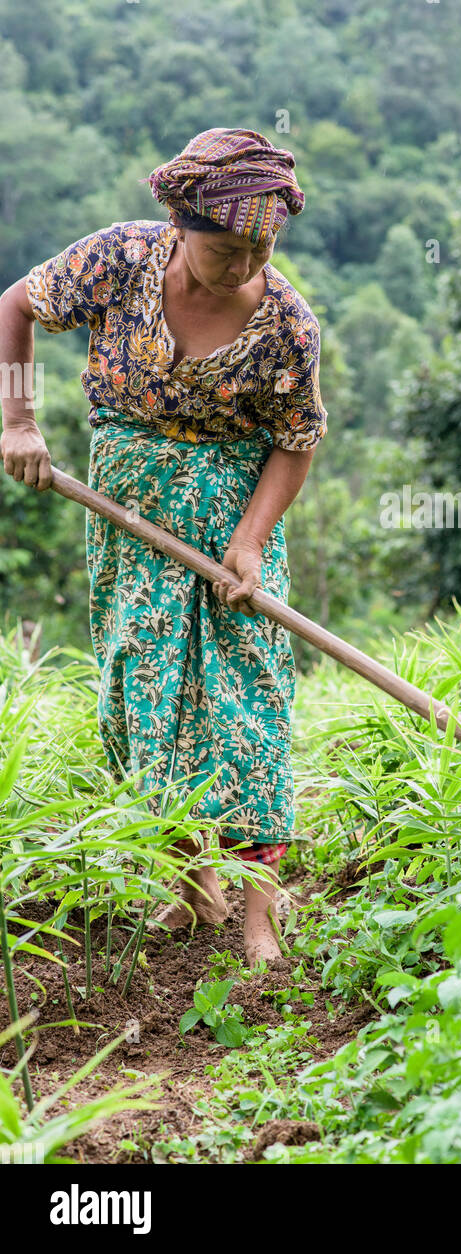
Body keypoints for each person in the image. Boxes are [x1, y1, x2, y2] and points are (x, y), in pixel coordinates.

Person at [0, 127, 327, 966]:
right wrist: (19, 420)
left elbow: (295, 440)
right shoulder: (120, 261)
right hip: (124, 511)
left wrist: (252, 544)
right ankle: (193, 889)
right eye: (226, 247)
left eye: (262, 246)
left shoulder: (287, 322)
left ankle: (258, 912)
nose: (245, 263)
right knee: (143, 692)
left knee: (246, 697)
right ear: (182, 225)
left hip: (229, 518)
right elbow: (15, 307)